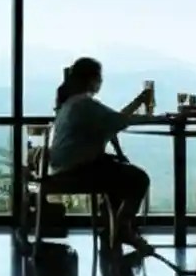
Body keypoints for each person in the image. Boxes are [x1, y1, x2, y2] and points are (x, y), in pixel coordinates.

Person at [48, 57, 155, 255]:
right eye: (99, 77)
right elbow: (120, 120)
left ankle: (111, 228)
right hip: (77, 171)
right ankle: (123, 228)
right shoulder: (85, 105)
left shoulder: (70, 103)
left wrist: (139, 101)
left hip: (63, 168)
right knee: (139, 179)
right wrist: (143, 106)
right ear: (91, 80)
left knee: (117, 177)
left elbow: (114, 120)